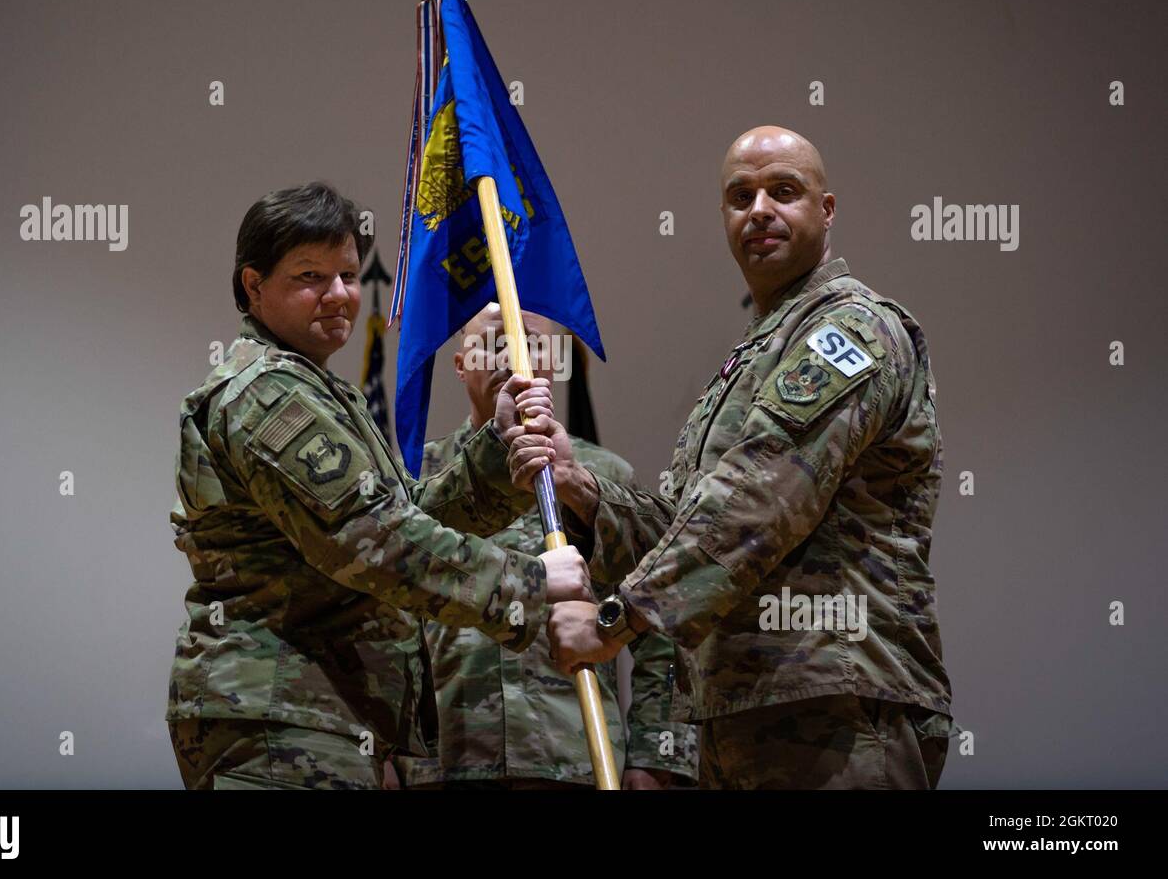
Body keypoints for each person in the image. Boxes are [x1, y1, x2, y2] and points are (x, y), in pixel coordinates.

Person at [527, 126, 954, 789]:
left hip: (834, 708)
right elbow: (685, 526)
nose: (759, 209)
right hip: (738, 715)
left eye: (784, 191)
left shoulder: (851, 328)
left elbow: (757, 502)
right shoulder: (754, 354)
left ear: (827, 209)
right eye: (740, 196)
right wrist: (582, 487)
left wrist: (614, 622)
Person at [166, 182, 592, 789]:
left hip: (313, 709)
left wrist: (495, 454)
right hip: (278, 713)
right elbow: (370, 539)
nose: (339, 294)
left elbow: (402, 514)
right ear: (254, 286)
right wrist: (528, 582)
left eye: (347, 273)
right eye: (310, 276)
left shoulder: (311, 386)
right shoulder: (267, 392)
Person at [393, 304, 697, 789]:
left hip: (574, 750)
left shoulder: (601, 478)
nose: (514, 359)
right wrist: (387, 747)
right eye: (494, 343)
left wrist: (656, 753)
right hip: (446, 753)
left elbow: (659, 624)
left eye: (533, 345)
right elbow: (389, 617)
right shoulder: (414, 479)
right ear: (459, 363)